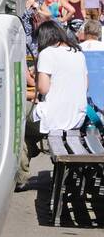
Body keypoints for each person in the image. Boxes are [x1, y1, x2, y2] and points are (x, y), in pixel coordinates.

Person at [28, 20, 88, 153]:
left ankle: (27, 159)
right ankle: (31, 148)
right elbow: (86, 86)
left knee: (17, 118)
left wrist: (37, 72)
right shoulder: (78, 53)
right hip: (77, 118)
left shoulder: (47, 53)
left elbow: (43, 89)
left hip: (54, 118)